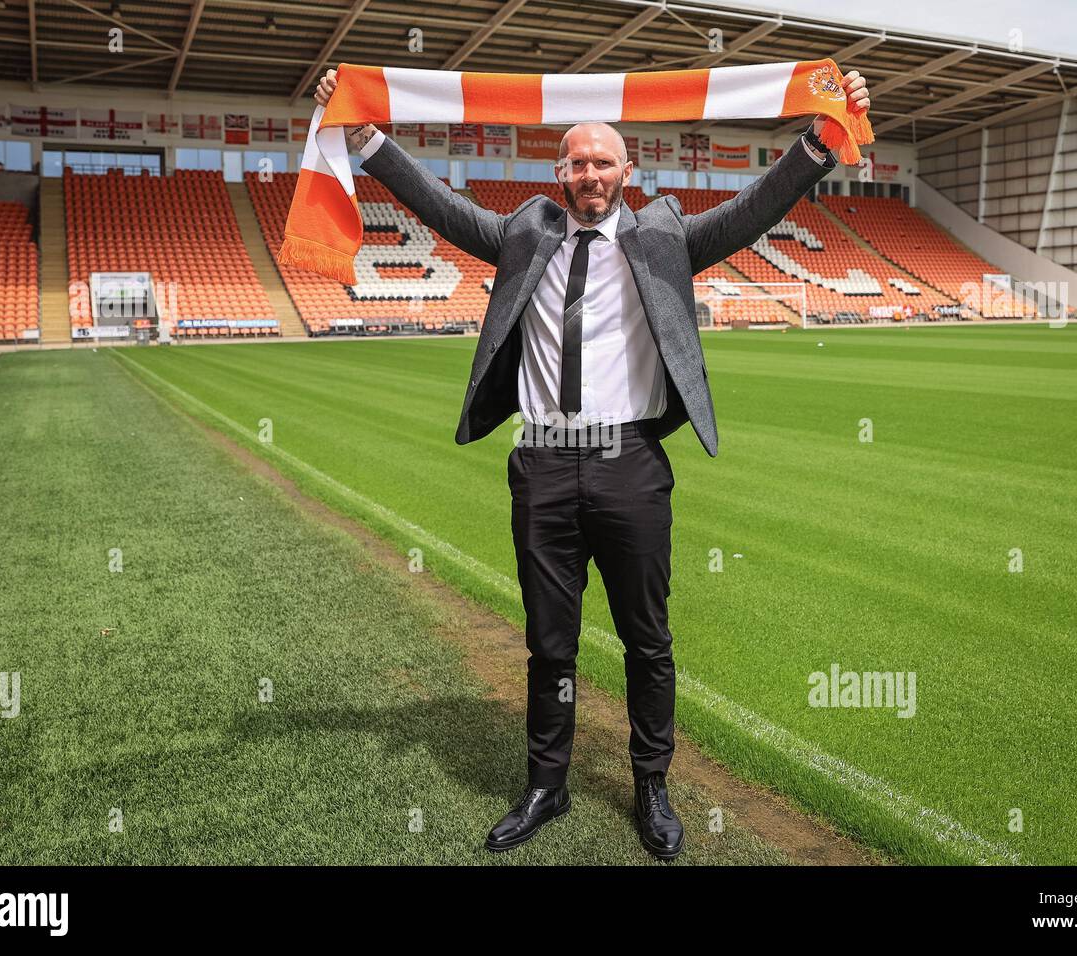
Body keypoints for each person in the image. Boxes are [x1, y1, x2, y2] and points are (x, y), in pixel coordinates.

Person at [314, 66, 870, 859]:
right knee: (550, 643)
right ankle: (547, 784)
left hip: (630, 464)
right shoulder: (523, 235)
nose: (588, 175)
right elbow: (437, 205)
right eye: (575, 163)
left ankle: (652, 783)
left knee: (648, 639)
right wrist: (362, 131)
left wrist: (819, 140)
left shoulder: (665, 237)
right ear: (559, 176)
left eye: (602, 162)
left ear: (627, 174)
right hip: (542, 466)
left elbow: (753, 210)